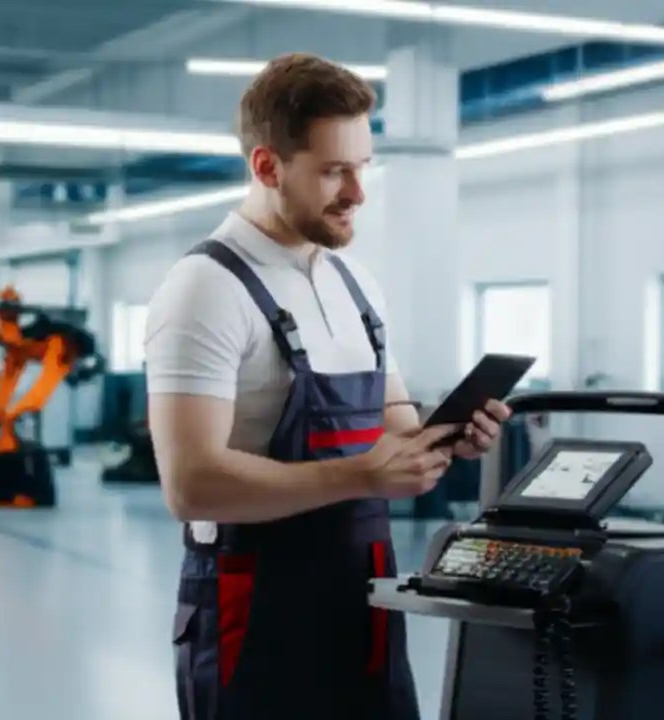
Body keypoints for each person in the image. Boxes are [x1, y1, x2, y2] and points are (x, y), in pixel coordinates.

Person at [144, 53, 511, 719]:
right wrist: (363, 477)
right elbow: (190, 483)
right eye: (334, 170)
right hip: (252, 619)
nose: (357, 192)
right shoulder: (205, 288)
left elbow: (397, 429)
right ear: (267, 167)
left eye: (362, 167)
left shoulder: (353, 283)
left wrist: (449, 438)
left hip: (361, 605)